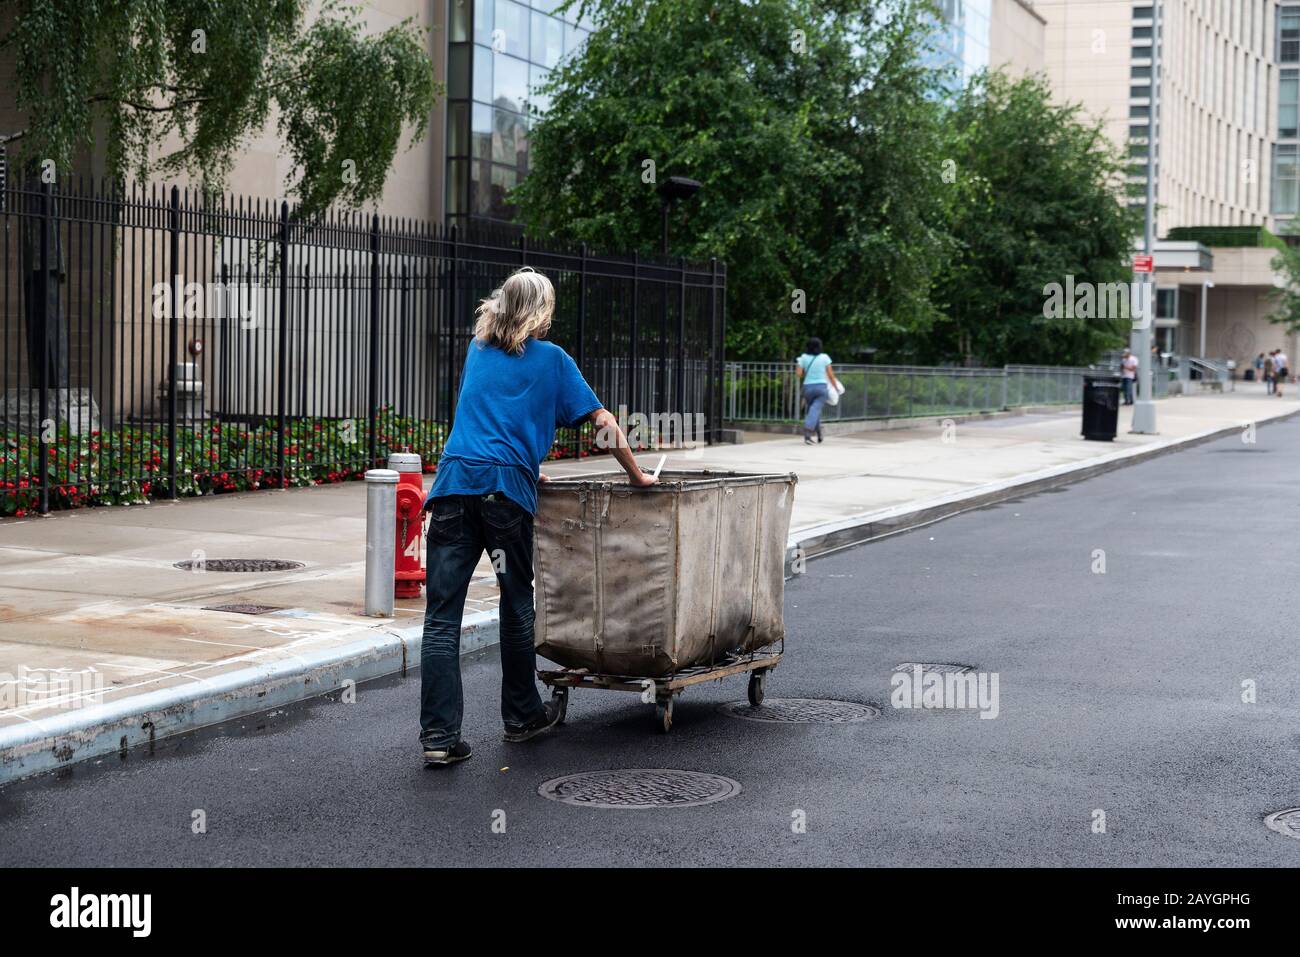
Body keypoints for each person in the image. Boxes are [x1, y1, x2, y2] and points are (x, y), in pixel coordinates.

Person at [419, 267, 656, 767]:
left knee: (442, 618)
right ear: (541, 310)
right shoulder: (552, 360)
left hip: (455, 489)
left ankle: (439, 738)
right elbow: (604, 424)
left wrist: (528, 468)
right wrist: (638, 476)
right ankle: (522, 716)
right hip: (503, 500)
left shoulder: (477, 350)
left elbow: (489, 419)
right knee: (515, 603)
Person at [795, 337, 841, 445]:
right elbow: (830, 375)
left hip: (807, 388)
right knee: (815, 410)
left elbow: (798, 374)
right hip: (821, 388)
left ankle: (819, 434)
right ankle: (808, 432)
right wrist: (836, 387)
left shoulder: (803, 358)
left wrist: (805, 372)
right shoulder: (825, 357)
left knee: (813, 410)